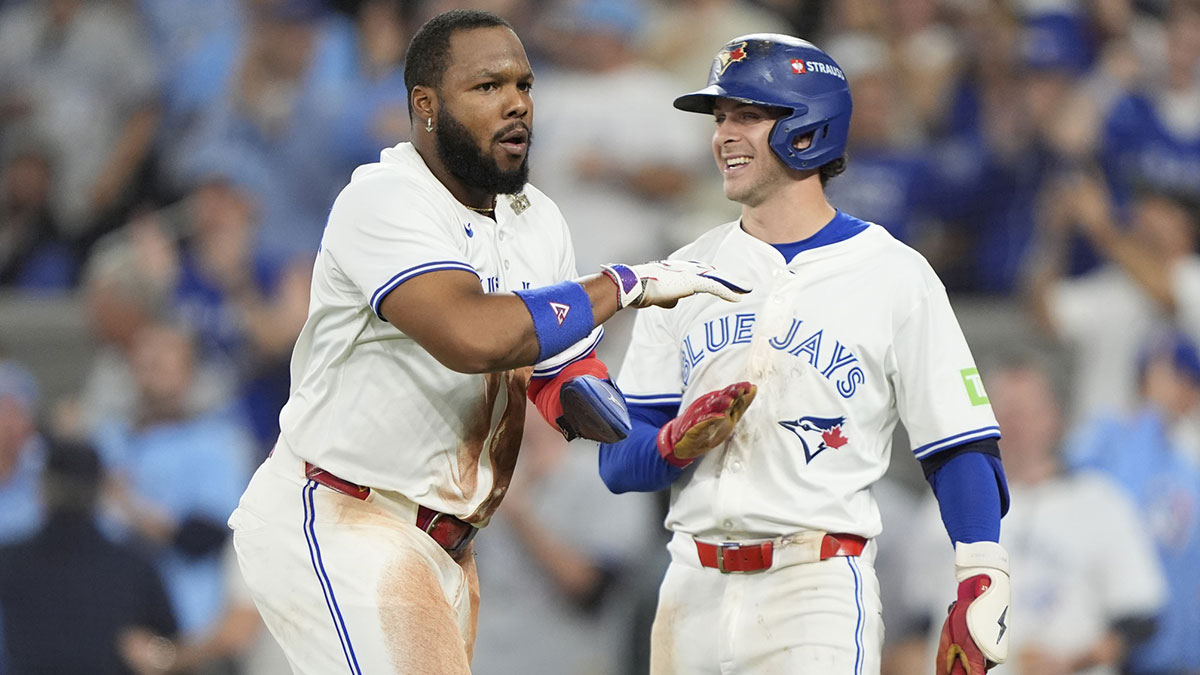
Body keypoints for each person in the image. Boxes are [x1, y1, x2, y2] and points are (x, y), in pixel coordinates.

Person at [227, 9, 747, 675]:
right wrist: (626, 283)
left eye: (525, 86)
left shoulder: (537, 220)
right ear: (426, 106)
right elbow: (470, 335)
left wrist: (664, 437)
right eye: (487, 87)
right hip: (348, 515)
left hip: (447, 542)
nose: (516, 104)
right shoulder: (386, 198)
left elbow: (565, 385)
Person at [598, 34, 1012, 674]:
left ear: (807, 126)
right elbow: (617, 462)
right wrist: (673, 443)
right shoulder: (684, 270)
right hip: (690, 585)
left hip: (814, 588)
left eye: (748, 115)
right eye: (720, 118)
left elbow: (959, 443)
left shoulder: (893, 273)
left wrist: (979, 572)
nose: (724, 136)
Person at [901, 355, 1165, 675]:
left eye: (1028, 413)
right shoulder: (942, 505)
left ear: (1054, 417)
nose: (1016, 425)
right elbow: (918, 624)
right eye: (1006, 413)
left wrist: (1073, 660)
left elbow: (1140, 621)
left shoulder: (1100, 501)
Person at [1064, 332, 1200, 674]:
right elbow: (1081, 488)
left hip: (1180, 650)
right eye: (1184, 380)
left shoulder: (1185, 459)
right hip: (1117, 640)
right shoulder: (1105, 434)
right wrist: (1150, 415)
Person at [0, 439, 178, 674]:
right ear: (100, 490)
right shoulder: (134, 565)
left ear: (42, 488)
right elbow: (172, 649)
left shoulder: (10, 562)